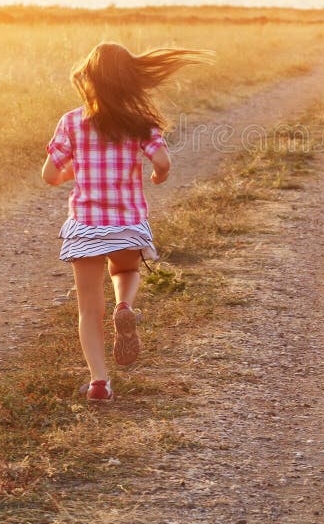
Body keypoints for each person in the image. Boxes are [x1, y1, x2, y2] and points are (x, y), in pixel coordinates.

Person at [42, 41, 213, 402]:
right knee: (125, 270)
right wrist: (158, 176)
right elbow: (163, 162)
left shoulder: (72, 122)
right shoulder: (140, 124)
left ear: (89, 79)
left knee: (89, 309)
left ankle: (99, 383)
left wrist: (74, 170)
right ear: (130, 81)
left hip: (86, 225)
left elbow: (50, 175)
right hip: (126, 223)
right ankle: (125, 306)